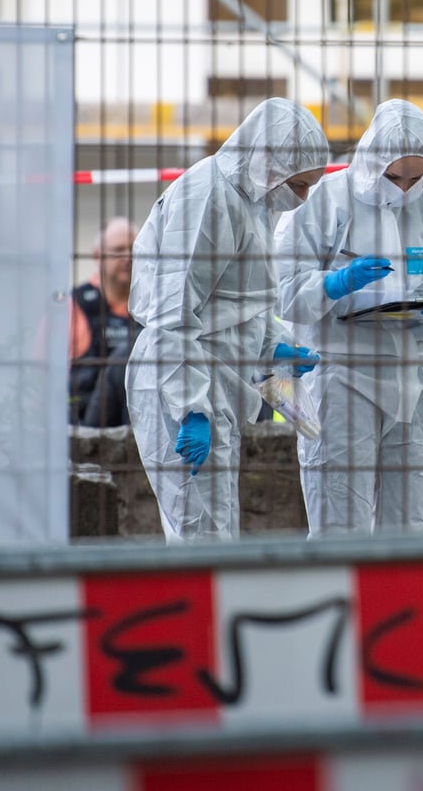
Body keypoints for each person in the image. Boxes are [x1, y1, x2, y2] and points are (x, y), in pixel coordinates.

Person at [273, 98, 423, 536]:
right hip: (340, 376)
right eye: (393, 176)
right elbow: (283, 287)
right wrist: (334, 284)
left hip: (413, 377)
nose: (404, 189)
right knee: (339, 518)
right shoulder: (325, 199)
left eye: (414, 177)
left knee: (410, 520)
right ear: (370, 159)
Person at [125, 98, 329, 543]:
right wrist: (190, 409)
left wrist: (272, 343)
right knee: (203, 538)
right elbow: (171, 315)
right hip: (180, 382)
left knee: (212, 534)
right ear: (270, 161)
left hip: (215, 382)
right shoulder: (207, 197)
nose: (303, 197)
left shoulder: (254, 203)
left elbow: (236, 302)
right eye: (299, 184)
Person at [68, 216, 138, 425]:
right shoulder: (74, 306)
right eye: (118, 250)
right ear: (98, 256)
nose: (128, 257)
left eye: (134, 249)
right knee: (125, 356)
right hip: (89, 427)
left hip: (144, 421)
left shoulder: (157, 305)